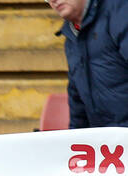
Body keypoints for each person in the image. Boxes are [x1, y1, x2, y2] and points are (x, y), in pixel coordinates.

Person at [53, 0, 128, 129]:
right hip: (106, 142)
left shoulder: (120, 11)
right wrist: (75, 141)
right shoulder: (71, 37)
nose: (52, 0)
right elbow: (77, 105)